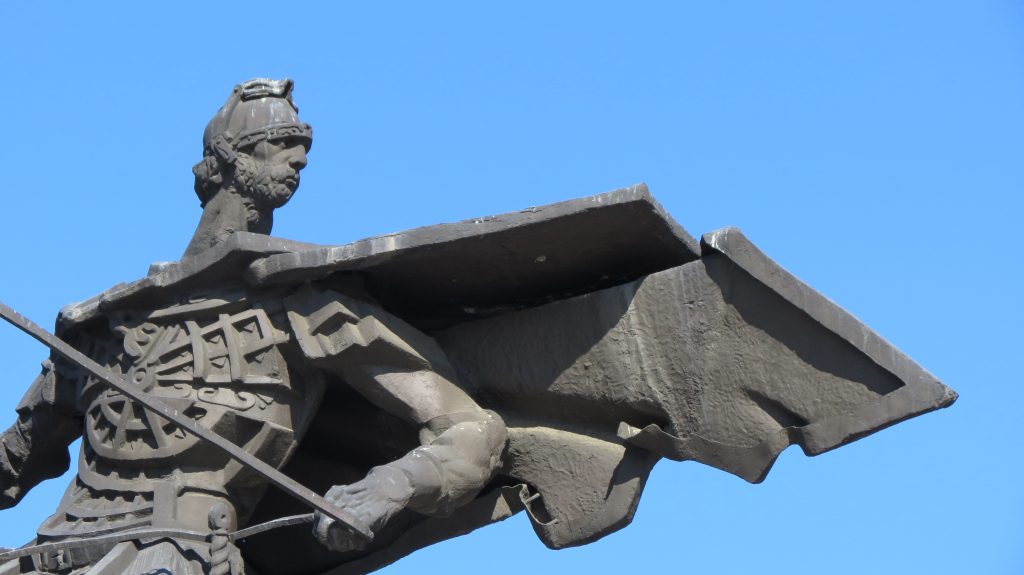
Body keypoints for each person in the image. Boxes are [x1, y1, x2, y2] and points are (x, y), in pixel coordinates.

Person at [0, 78, 507, 574]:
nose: (300, 159)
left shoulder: (304, 311)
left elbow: (473, 429)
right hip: (42, 557)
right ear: (228, 154)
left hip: (178, 558)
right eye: (280, 142)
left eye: (302, 146)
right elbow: (13, 462)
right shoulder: (103, 329)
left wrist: (388, 486)